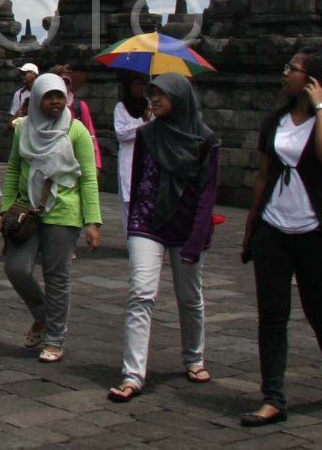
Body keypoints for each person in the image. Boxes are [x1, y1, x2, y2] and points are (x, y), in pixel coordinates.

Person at [240, 48, 322, 426]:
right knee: (272, 317)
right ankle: (273, 397)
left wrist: (320, 107)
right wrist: (251, 227)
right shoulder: (276, 120)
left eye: (292, 68)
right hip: (273, 229)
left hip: (314, 232)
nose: (284, 72)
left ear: (313, 80)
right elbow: (263, 175)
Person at [108, 73, 219, 403]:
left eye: (160, 94)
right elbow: (140, 177)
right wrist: (134, 226)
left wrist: (197, 239)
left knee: (189, 295)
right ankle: (132, 373)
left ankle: (194, 357)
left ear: (180, 98)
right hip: (148, 222)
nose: (152, 100)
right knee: (141, 293)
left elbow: (206, 194)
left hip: (186, 225)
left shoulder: (205, 139)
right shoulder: (147, 135)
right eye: (151, 94)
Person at [1, 73, 101, 363]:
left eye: (59, 95)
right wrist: (6, 206)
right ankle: (43, 315)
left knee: (57, 277)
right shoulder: (23, 129)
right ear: (36, 99)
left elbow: (88, 178)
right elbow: (12, 168)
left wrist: (92, 221)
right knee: (16, 268)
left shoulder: (76, 130)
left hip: (65, 209)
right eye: (49, 96)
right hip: (27, 208)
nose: (55, 101)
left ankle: (56, 338)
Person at [114, 72, 152, 231]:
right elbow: (121, 133)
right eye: (135, 85)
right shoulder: (121, 107)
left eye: (141, 84)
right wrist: (142, 124)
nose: (139, 88)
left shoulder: (149, 106)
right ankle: (130, 235)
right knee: (128, 201)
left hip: (147, 157)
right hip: (128, 158)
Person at [51, 64, 104, 172]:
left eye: (67, 83)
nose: (64, 86)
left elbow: (90, 134)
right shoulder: (48, 106)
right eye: (61, 82)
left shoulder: (79, 106)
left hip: (77, 156)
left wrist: (96, 163)